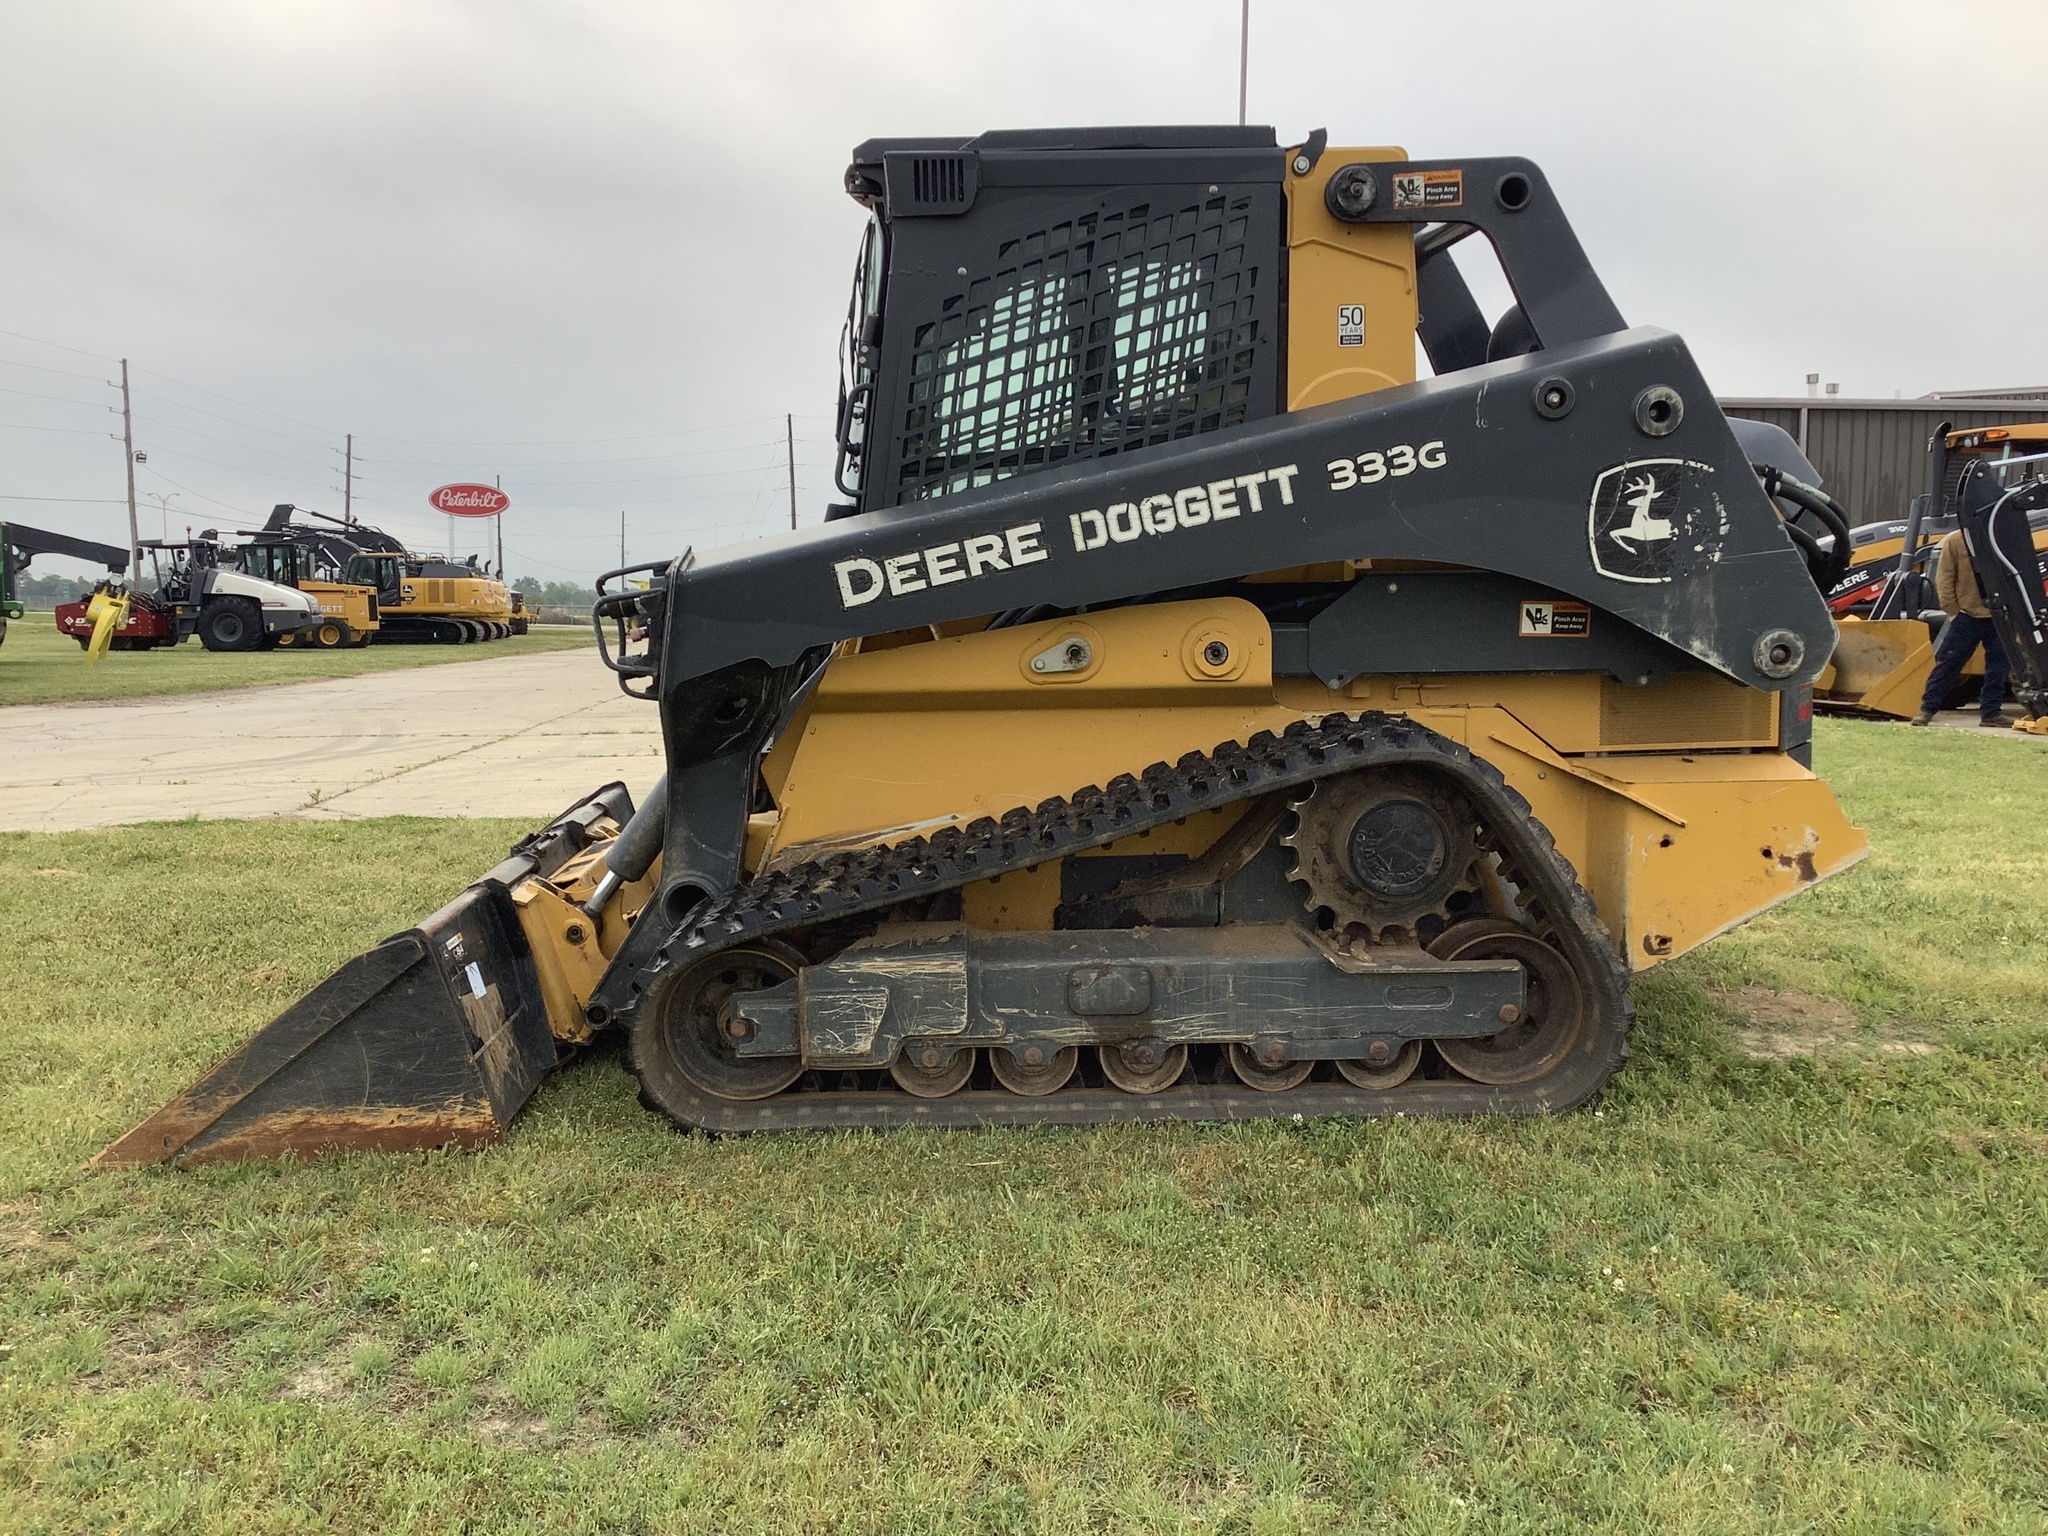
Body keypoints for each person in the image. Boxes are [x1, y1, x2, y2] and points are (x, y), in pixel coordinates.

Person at [1911, 527, 2011, 728]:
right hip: (1967, 615)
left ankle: (1991, 712)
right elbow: (1945, 576)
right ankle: (1927, 710)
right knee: (1949, 663)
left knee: (1998, 668)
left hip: (1999, 615)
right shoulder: (1955, 541)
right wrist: (1953, 610)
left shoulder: (2004, 536)